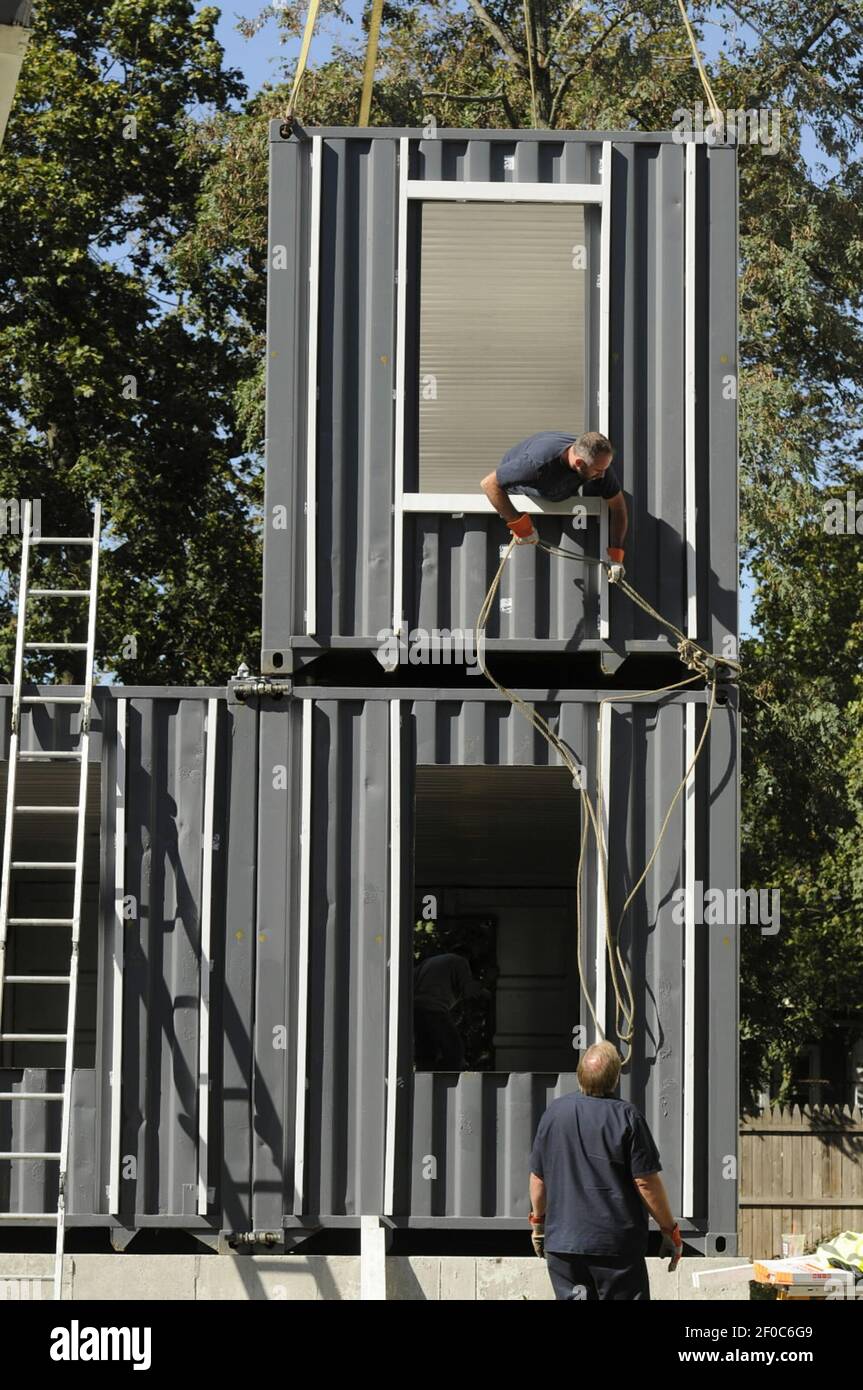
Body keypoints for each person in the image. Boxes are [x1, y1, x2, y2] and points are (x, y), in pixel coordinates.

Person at [528, 1041, 682, 1300]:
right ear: (615, 1078)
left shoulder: (554, 1113)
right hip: (615, 1249)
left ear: (580, 1074)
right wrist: (670, 1230)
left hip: (564, 1247)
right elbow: (645, 1182)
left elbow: (538, 1178)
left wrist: (538, 1226)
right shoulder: (627, 1117)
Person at [480, 430, 628, 578]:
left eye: (605, 469)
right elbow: (489, 484)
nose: (602, 475)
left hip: (557, 489)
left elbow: (618, 507)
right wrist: (519, 524)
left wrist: (616, 556)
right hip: (522, 493)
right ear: (579, 463)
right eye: (598, 471)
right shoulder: (536, 464)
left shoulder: (597, 462)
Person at [413, 950, 488, 1071]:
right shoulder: (461, 962)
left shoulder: (430, 962)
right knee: (454, 1051)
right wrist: (484, 991)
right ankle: (447, 1085)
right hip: (434, 1009)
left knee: (426, 1055)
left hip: (416, 1011)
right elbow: (469, 990)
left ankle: (425, 1084)